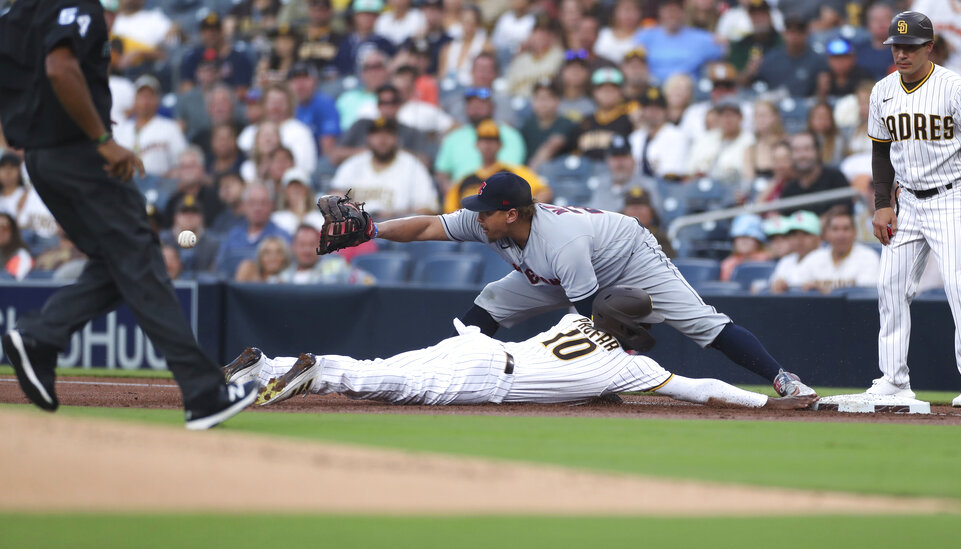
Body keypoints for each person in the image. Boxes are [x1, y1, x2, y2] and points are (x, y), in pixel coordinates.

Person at [0, 0, 255, 427]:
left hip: (41, 159)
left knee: (119, 262)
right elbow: (60, 67)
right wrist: (101, 138)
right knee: (141, 257)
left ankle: (42, 337)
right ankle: (203, 393)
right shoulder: (77, 0)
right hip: (80, 155)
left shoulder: (26, 1)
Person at [361, 171, 816, 398]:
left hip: (628, 257)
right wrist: (372, 229)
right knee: (492, 301)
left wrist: (615, 352)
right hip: (554, 272)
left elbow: (589, 317)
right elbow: (426, 227)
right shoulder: (488, 222)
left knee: (702, 325)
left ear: (512, 214)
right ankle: (446, 372)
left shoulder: (562, 242)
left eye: (486, 211)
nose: (476, 217)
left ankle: (782, 378)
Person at [224, 285, 816, 410]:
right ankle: (311, 371)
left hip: (476, 347)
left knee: (380, 369)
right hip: (486, 378)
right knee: (384, 385)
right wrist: (763, 402)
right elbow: (701, 388)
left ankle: (266, 365)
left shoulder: (575, 319)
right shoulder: (628, 367)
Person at [867, 10, 961, 407]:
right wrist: (882, 203)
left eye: (909, 47)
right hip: (907, 199)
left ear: (929, 47)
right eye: (896, 46)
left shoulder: (955, 88)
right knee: (890, 286)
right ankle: (894, 379)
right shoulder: (882, 91)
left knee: (959, 286)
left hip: (953, 196)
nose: (901, 54)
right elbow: (880, 151)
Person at [789, 206, 879, 294]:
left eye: (846, 229)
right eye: (835, 229)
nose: (840, 235)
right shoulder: (814, 258)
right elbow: (794, 286)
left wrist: (828, 292)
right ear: (826, 233)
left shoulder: (868, 257)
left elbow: (865, 293)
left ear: (854, 232)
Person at [779, 132, 853, 216]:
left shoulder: (836, 178)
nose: (802, 155)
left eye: (807, 149)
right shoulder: (789, 190)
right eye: (796, 150)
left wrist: (823, 220)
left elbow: (844, 207)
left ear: (818, 152)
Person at [768, 211, 822, 293]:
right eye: (794, 234)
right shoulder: (786, 261)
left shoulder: (827, 257)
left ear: (818, 237)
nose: (799, 240)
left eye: (806, 234)